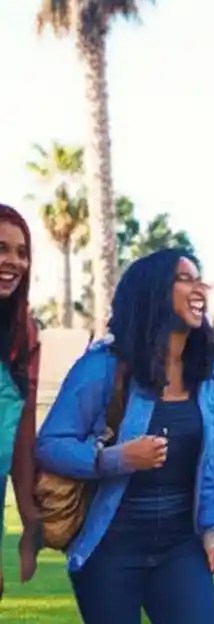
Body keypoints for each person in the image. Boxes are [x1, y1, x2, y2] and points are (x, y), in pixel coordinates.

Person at [36, 248, 214, 624]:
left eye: (199, 277)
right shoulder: (105, 366)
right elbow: (49, 444)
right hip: (110, 550)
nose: (198, 287)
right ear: (153, 291)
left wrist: (211, 529)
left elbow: (208, 464)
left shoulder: (207, 375)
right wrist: (115, 459)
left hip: (180, 548)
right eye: (184, 278)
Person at [0, 204, 42, 598]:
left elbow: (22, 428)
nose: (13, 261)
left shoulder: (23, 332)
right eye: (1, 248)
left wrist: (29, 517)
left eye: (21, 251)